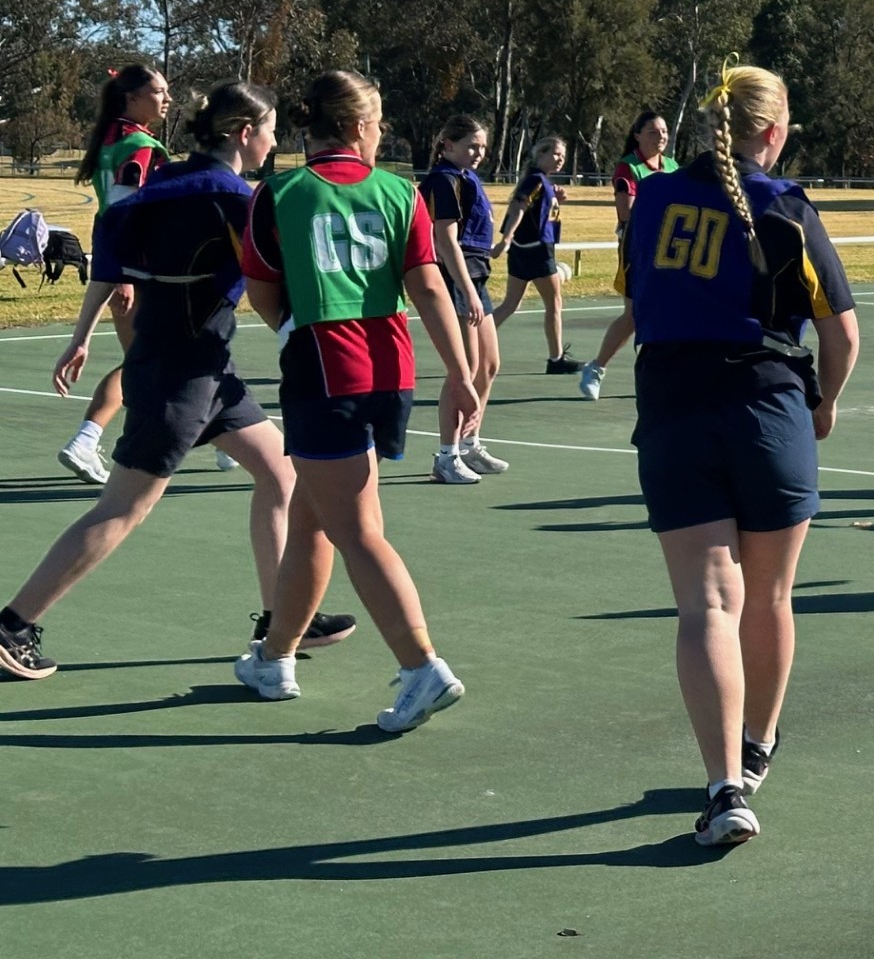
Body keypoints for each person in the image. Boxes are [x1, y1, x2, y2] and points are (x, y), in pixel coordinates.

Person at [0, 83, 354, 682]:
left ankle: (281, 616)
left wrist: (82, 334)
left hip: (203, 368)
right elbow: (271, 281)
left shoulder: (159, 185)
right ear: (244, 132)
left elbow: (107, 263)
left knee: (279, 473)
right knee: (122, 507)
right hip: (181, 374)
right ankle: (13, 625)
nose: (273, 141)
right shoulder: (233, 199)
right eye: (268, 130)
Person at [625, 62, 859, 846]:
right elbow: (843, 333)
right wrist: (824, 402)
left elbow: (639, 294)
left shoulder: (651, 198)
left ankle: (726, 787)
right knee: (768, 597)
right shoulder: (784, 207)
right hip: (767, 408)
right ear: (772, 129)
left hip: (673, 407)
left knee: (706, 606)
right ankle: (759, 744)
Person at [234, 70, 480, 733]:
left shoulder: (279, 193)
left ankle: (422, 665)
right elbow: (428, 289)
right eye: (375, 124)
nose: (379, 136)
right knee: (314, 516)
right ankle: (275, 656)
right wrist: (459, 372)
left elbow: (260, 288)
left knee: (356, 530)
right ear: (354, 126)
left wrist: (291, 327)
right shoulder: (400, 192)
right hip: (390, 370)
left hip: (324, 372)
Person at [57, 65, 172, 485]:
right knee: (155, 364)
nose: (167, 99)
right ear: (132, 98)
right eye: (159, 92)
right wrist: (126, 275)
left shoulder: (110, 141)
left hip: (123, 266)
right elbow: (126, 213)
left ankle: (112, 444)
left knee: (145, 365)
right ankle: (89, 440)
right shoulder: (140, 145)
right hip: (141, 273)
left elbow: (111, 216)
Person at [419, 116, 508, 485]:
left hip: (475, 276)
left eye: (483, 146)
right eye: (471, 145)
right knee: (464, 370)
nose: (478, 153)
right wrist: (466, 290)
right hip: (455, 279)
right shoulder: (444, 179)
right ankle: (447, 455)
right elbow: (444, 239)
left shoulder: (467, 179)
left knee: (488, 365)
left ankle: (470, 442)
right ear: (448, 144)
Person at [580, 111, 678, 402]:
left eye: (663, 131)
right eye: (652, 132)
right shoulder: (629, 168)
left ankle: (667, 374)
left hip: (670, 250)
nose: (660, 136)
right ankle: (596, 368)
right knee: (635, 314)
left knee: (674, 310)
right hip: (638, 248)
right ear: (637, 135)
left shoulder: (673, 166)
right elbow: (628, 215)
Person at [492, 135, 582, 374]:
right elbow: (518, 207)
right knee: (554, 303)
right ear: (539, 154)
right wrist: (506, 238)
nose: (560, 159)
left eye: (563, 155)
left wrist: (555, 197)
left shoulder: (542, 182)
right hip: (537, 251)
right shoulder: (535, 179)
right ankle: (556, 359)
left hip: (524, 250)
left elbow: (533, 208)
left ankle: (476, 339)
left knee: (511, 304)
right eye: (555, 153)